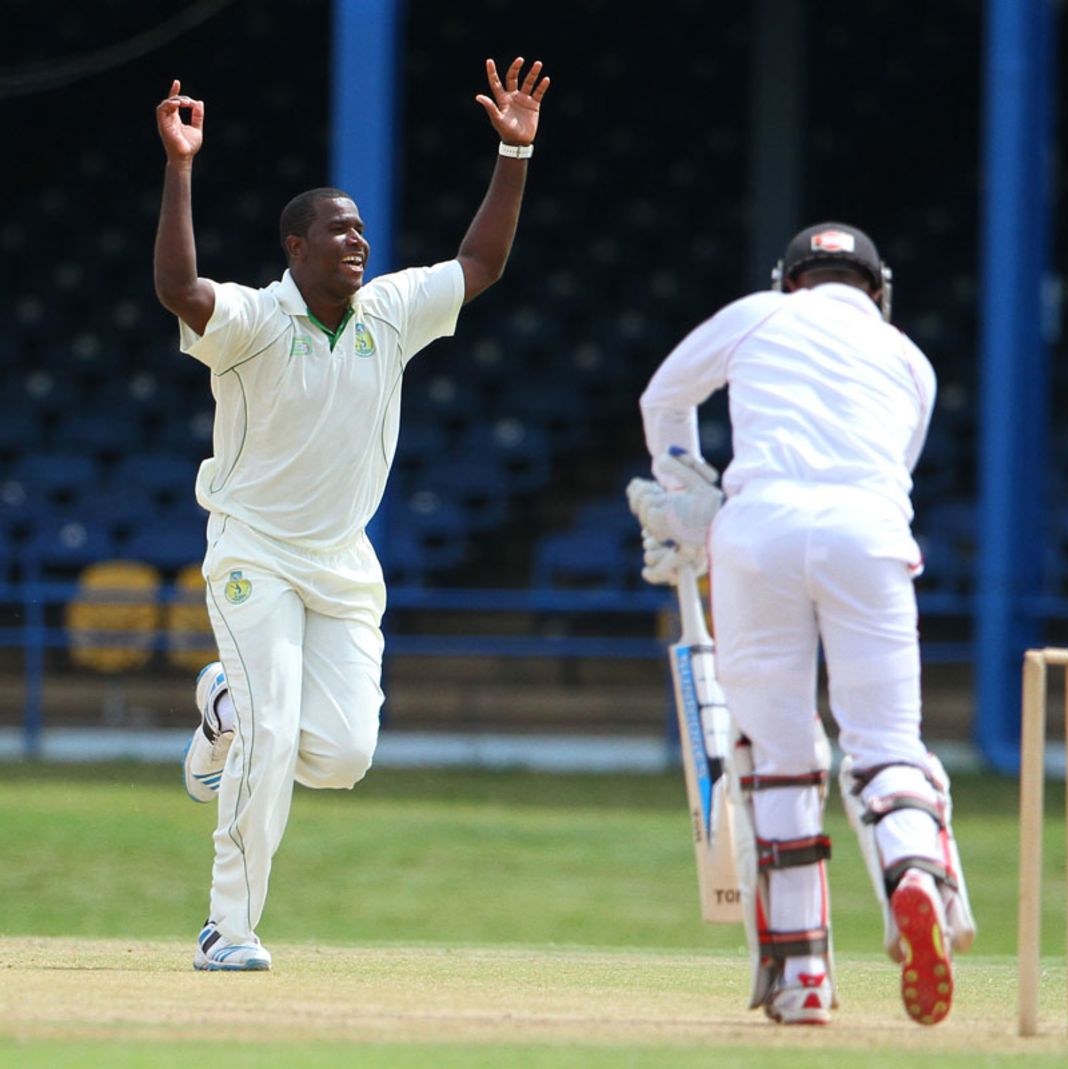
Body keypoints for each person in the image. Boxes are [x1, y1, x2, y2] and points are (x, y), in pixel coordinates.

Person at [153, 56, 549, 972]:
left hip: (341, 563)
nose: (356, 242)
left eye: (361, 230)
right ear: (295, 248)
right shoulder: (254, 321)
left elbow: (481, 262)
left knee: (341, 755)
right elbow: (180, 290)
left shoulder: (391, 312)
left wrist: (513, 152)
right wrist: (180, 166)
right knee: (275, 728)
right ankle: (230, 928)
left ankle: (221, 707)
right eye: (337, 231)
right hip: (253, 551)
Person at [627, 223, 975, 1026]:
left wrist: (687, 488)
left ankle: (802, 978)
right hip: (870, 536)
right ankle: (914, 871)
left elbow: (663, 398)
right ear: (876, 289)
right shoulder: (909, 360)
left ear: (792, 280)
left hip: (757, 534)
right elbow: (893, 467)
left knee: (779, 756)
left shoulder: (757, 314)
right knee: (886, 742)